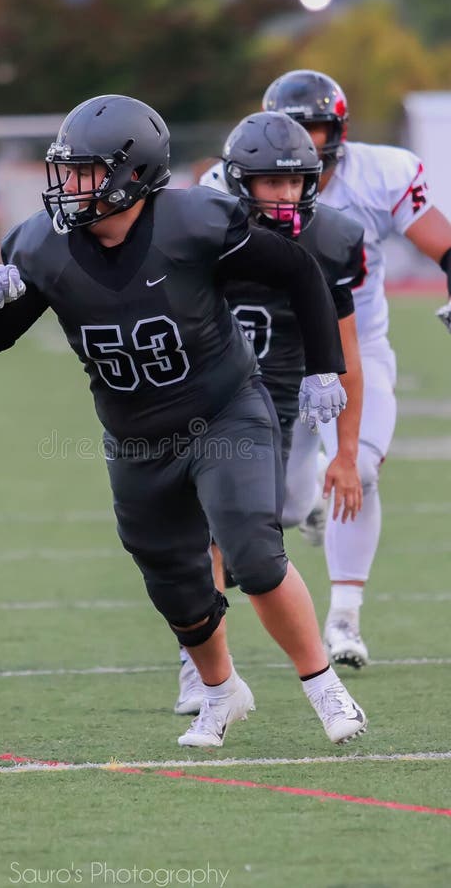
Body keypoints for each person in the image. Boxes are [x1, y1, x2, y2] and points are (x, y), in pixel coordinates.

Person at [0, 93, 367, 748]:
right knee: (175, 583)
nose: (70, 185)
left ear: (131, 174)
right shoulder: (40, 244)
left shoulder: (193, 221)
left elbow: (297, 268)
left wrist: (323, 366)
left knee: (252, 550)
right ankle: (220, 693)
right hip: (135, 439)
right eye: (68, 169)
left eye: (86, 171)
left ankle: (324, 686)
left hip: (224, 410)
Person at [174, 110, 365, 716]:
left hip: (290, 393)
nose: (286, 195)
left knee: (277, 513)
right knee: (217, 528)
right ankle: (200, 670)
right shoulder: (203, 227)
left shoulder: (329, 237)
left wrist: (347, 449)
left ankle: (302, 503)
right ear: (237, 181)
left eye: (296, 182)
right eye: (270, 182)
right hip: (217, 396)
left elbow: (348, 351)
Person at [262, 69, 451, 668]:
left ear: (337, 128)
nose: (307, 145)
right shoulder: (236, 179)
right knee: (287, 510)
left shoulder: (381, 174)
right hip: (274, 356)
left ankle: (344, 616)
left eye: (316, 128)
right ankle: (312, 493)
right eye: (295, 130)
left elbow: (444, 244)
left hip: (354, 347)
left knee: (360, 467)